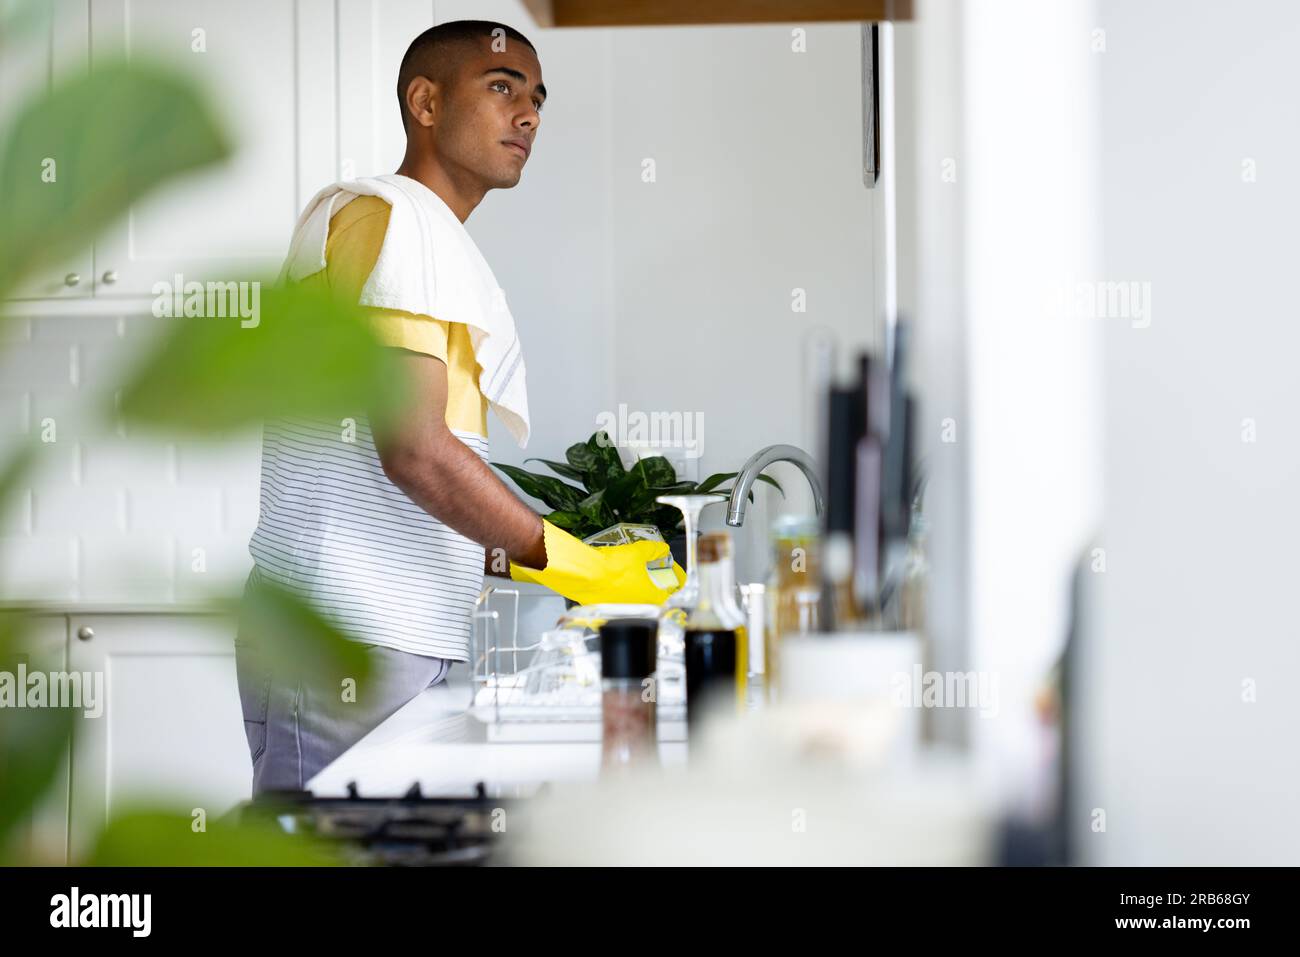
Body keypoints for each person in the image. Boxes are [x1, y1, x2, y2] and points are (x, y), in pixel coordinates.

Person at [235, 19, 681, 795]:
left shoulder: (418, 235)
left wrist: (569, 562)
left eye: (538, 98)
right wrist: (577, 567)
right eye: (502, 87)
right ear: (426, 102)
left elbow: (435, 473)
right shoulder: (395, 219)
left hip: (376, 635)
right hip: (344, 633)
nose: (529, 114)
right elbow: (412, 450)